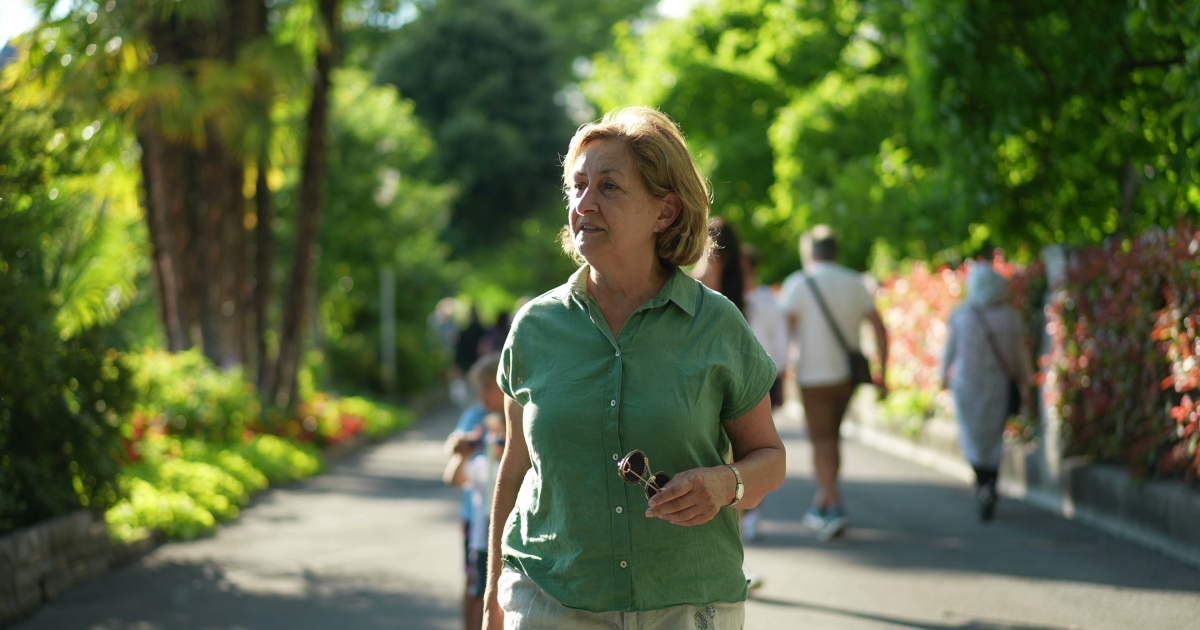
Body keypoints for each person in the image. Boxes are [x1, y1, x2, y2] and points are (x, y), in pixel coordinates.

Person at [483, 107, 786, 629]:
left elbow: (771, 459)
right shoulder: (535, 327)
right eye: (577, 187)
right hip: (550, 599)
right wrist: (492, 601)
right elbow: (516, 469)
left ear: (664, 211)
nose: (584, 203)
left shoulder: (717, 325)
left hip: (689, 602)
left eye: (609, 187)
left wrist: (725, 483)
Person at [780, 224, 889, 541]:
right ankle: (822, 503)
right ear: (836, 251)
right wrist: (884, 371)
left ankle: (835, 506)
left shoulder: (798, 284)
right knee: (832, 439)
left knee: (822, 442)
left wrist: (783, 369)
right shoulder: (855, 282)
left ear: (810, 252)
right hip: (845, 375)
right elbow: (880, 329)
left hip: (812, 376)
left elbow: (786, 334)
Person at [940, 262, 1032, 521]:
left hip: (967, 386)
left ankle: (982, 483)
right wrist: (1026, 380)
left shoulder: (960, 315)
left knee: (971, 436)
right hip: (997, 385)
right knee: (993, 438)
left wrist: (942, 377)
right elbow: (1019, 354)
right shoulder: (1011, 316)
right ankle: (989, 483)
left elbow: (949, 351)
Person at [445, 352, 505, 629]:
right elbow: (455, 447)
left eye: (489, 387)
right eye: (479, 387)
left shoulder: (514, 414)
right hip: (476, 514)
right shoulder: (474, 416)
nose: (483, 394)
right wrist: (463, 445)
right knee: (476, 583)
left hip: (506, 514)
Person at [739, 244, 788, 544]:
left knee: (758, 450)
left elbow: (780, 348)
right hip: (733, 381)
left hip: (760, 382)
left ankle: (752, 513)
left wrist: (773, 380)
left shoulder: (767, 302)